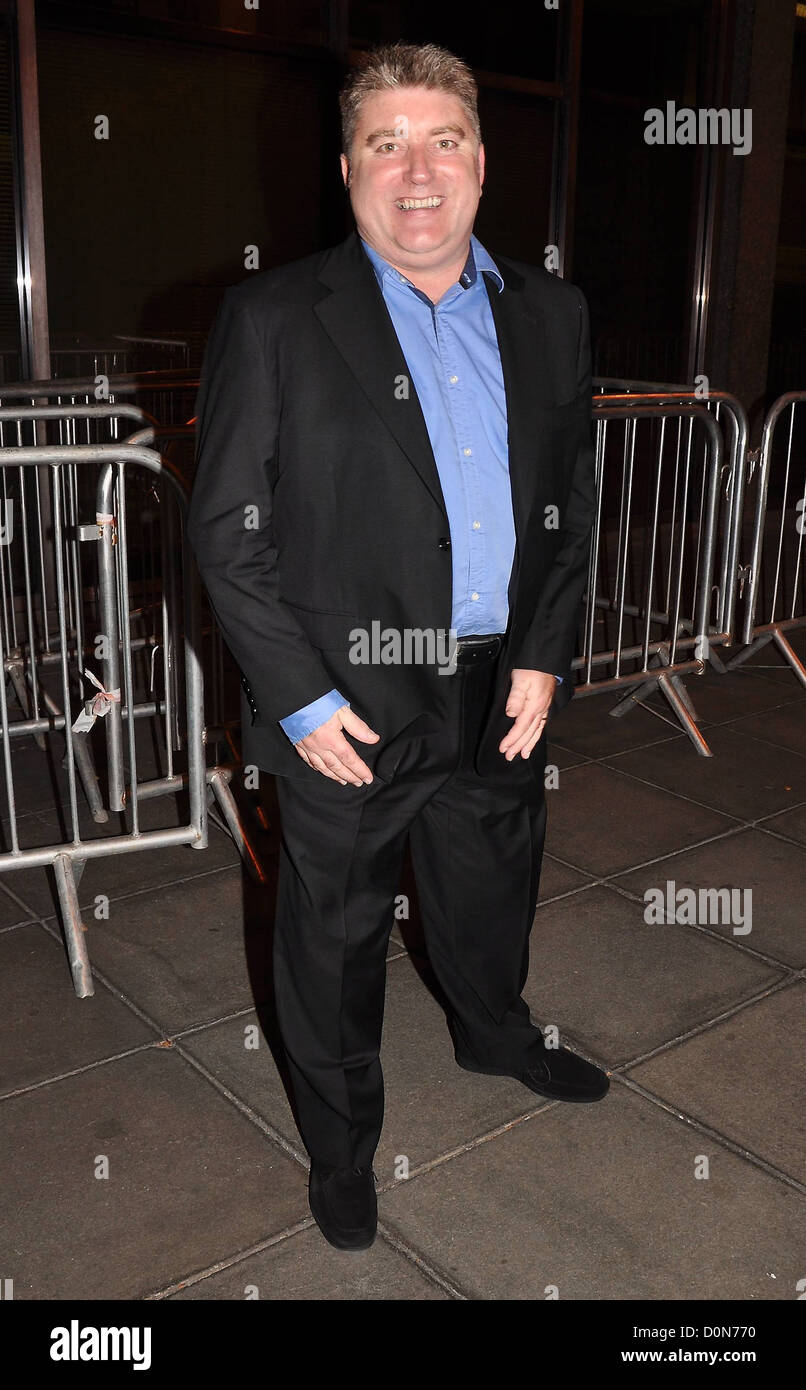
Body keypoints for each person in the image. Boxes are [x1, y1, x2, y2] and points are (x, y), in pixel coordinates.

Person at [187, 40, 608, 1254]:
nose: (414, 169)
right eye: (385, 143)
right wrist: (303, 703)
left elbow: (566, 508)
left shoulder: (552, 314)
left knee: (489, 892)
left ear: (479, 162)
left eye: (440, 141)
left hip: (498, 689)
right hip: (348, 700)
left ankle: (494, 1033)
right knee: (331, 937)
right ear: (347, 167)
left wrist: (543, 651)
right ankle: (340, 1145)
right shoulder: (274, 316)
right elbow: (227, 533)